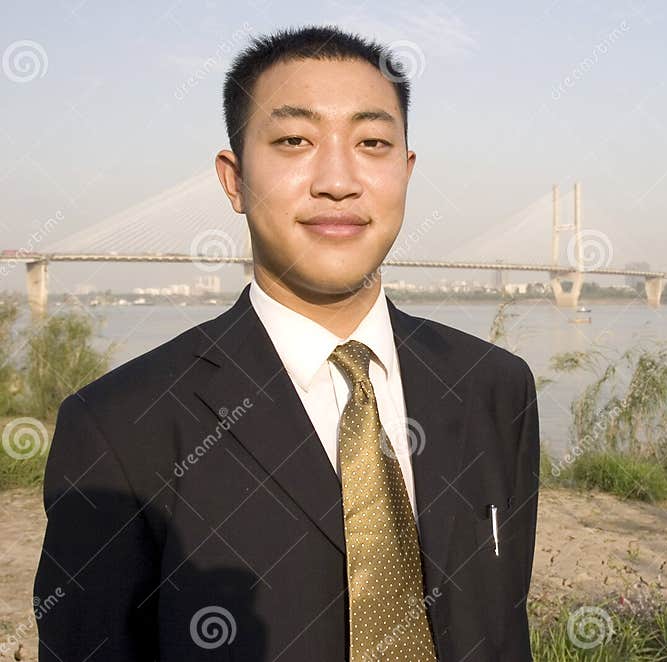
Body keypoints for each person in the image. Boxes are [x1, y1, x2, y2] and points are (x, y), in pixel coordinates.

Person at [33, 25, 540, 661]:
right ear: (235, 179)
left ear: (407, 172)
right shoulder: (120, 428)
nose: (338, 180)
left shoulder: (494, 386)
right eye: (294, 140)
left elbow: (503, 625)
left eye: (373, 142)